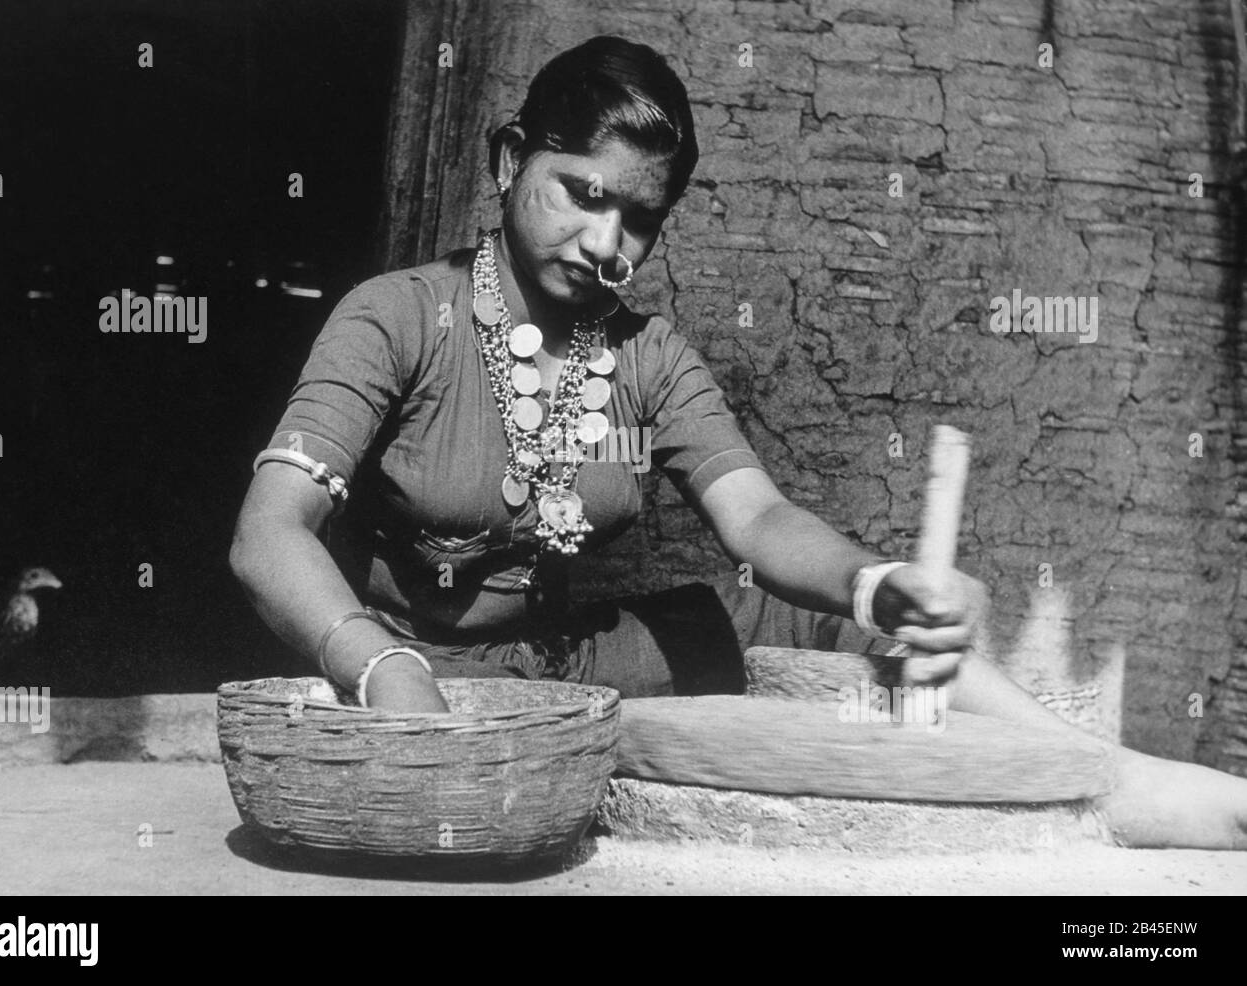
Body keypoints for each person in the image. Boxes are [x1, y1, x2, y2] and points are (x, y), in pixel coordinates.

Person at [230, 34, 1247, 850]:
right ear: (508, 160)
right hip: (401, 674)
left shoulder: (647, 354)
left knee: (838, 617)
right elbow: (270, 535)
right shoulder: (401, 317)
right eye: (580, 192)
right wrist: (380, 671)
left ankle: (1099, 779)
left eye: (638, 219)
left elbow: (754, 518)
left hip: (565, 672)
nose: (604, 244)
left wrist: (874, 579)